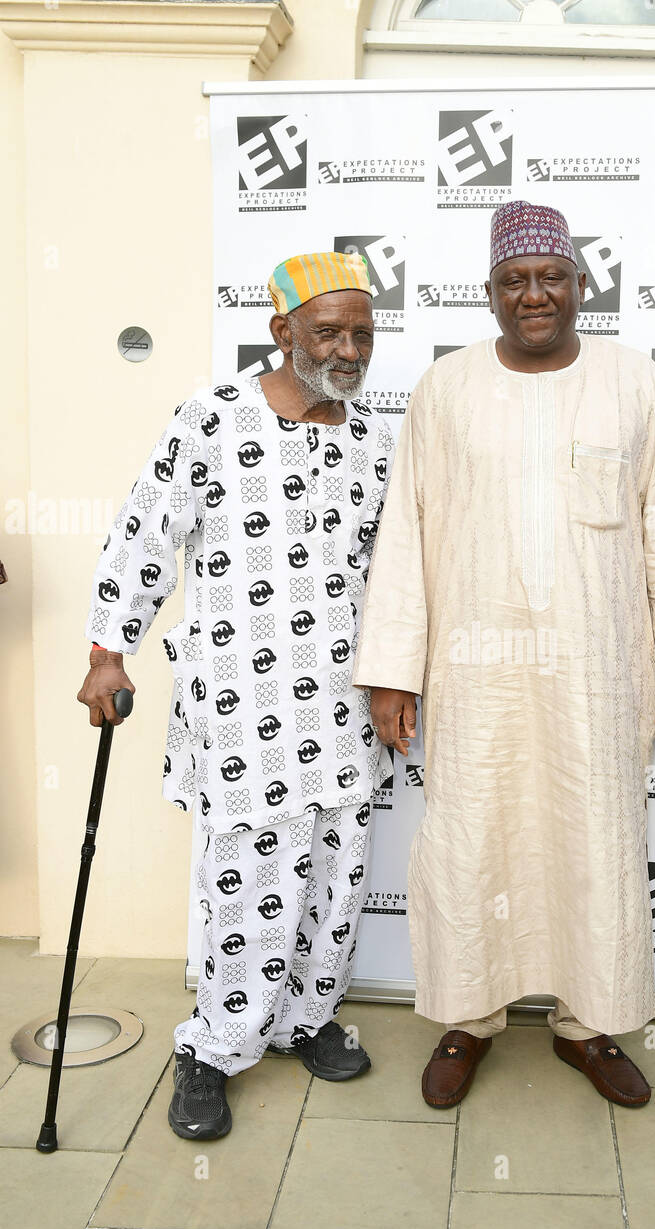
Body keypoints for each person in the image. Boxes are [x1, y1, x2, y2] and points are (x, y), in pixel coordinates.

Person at [353, 200, 655, 1110]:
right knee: (472, 833)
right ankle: (467, 1016)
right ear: (490, 293)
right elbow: (405, 532)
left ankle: (588, 1025)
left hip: (597, 669)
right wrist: (394, 669)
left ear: (580, 284)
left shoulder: (634, 383)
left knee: (595, 837)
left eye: (551, 276)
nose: (535, 294)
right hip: (474, 671)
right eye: (515, 280)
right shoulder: (445, 389)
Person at [78, 252, 393, 1140]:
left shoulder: (371, 440)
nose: (347, 349)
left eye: (361, 333)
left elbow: (394, 573)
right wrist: (109, 650)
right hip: (244, 710)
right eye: (328, 330)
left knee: (335, 882)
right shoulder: (212, 420)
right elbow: (145, 534)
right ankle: (213, 1049)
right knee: (249, 883)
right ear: (281, 330)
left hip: (343, 709)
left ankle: (306, 1019)